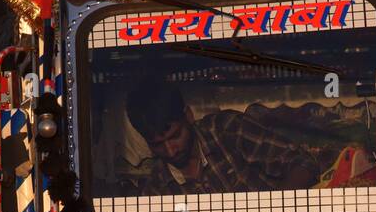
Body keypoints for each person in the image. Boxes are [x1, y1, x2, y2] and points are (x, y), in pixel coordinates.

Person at [123, 82, 320, 194]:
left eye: (175, 136)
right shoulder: (156, 189)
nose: (170, 150)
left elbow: (303, 163)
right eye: (157, 145)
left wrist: (277, 210)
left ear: (189, 116)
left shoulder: (228, 130)